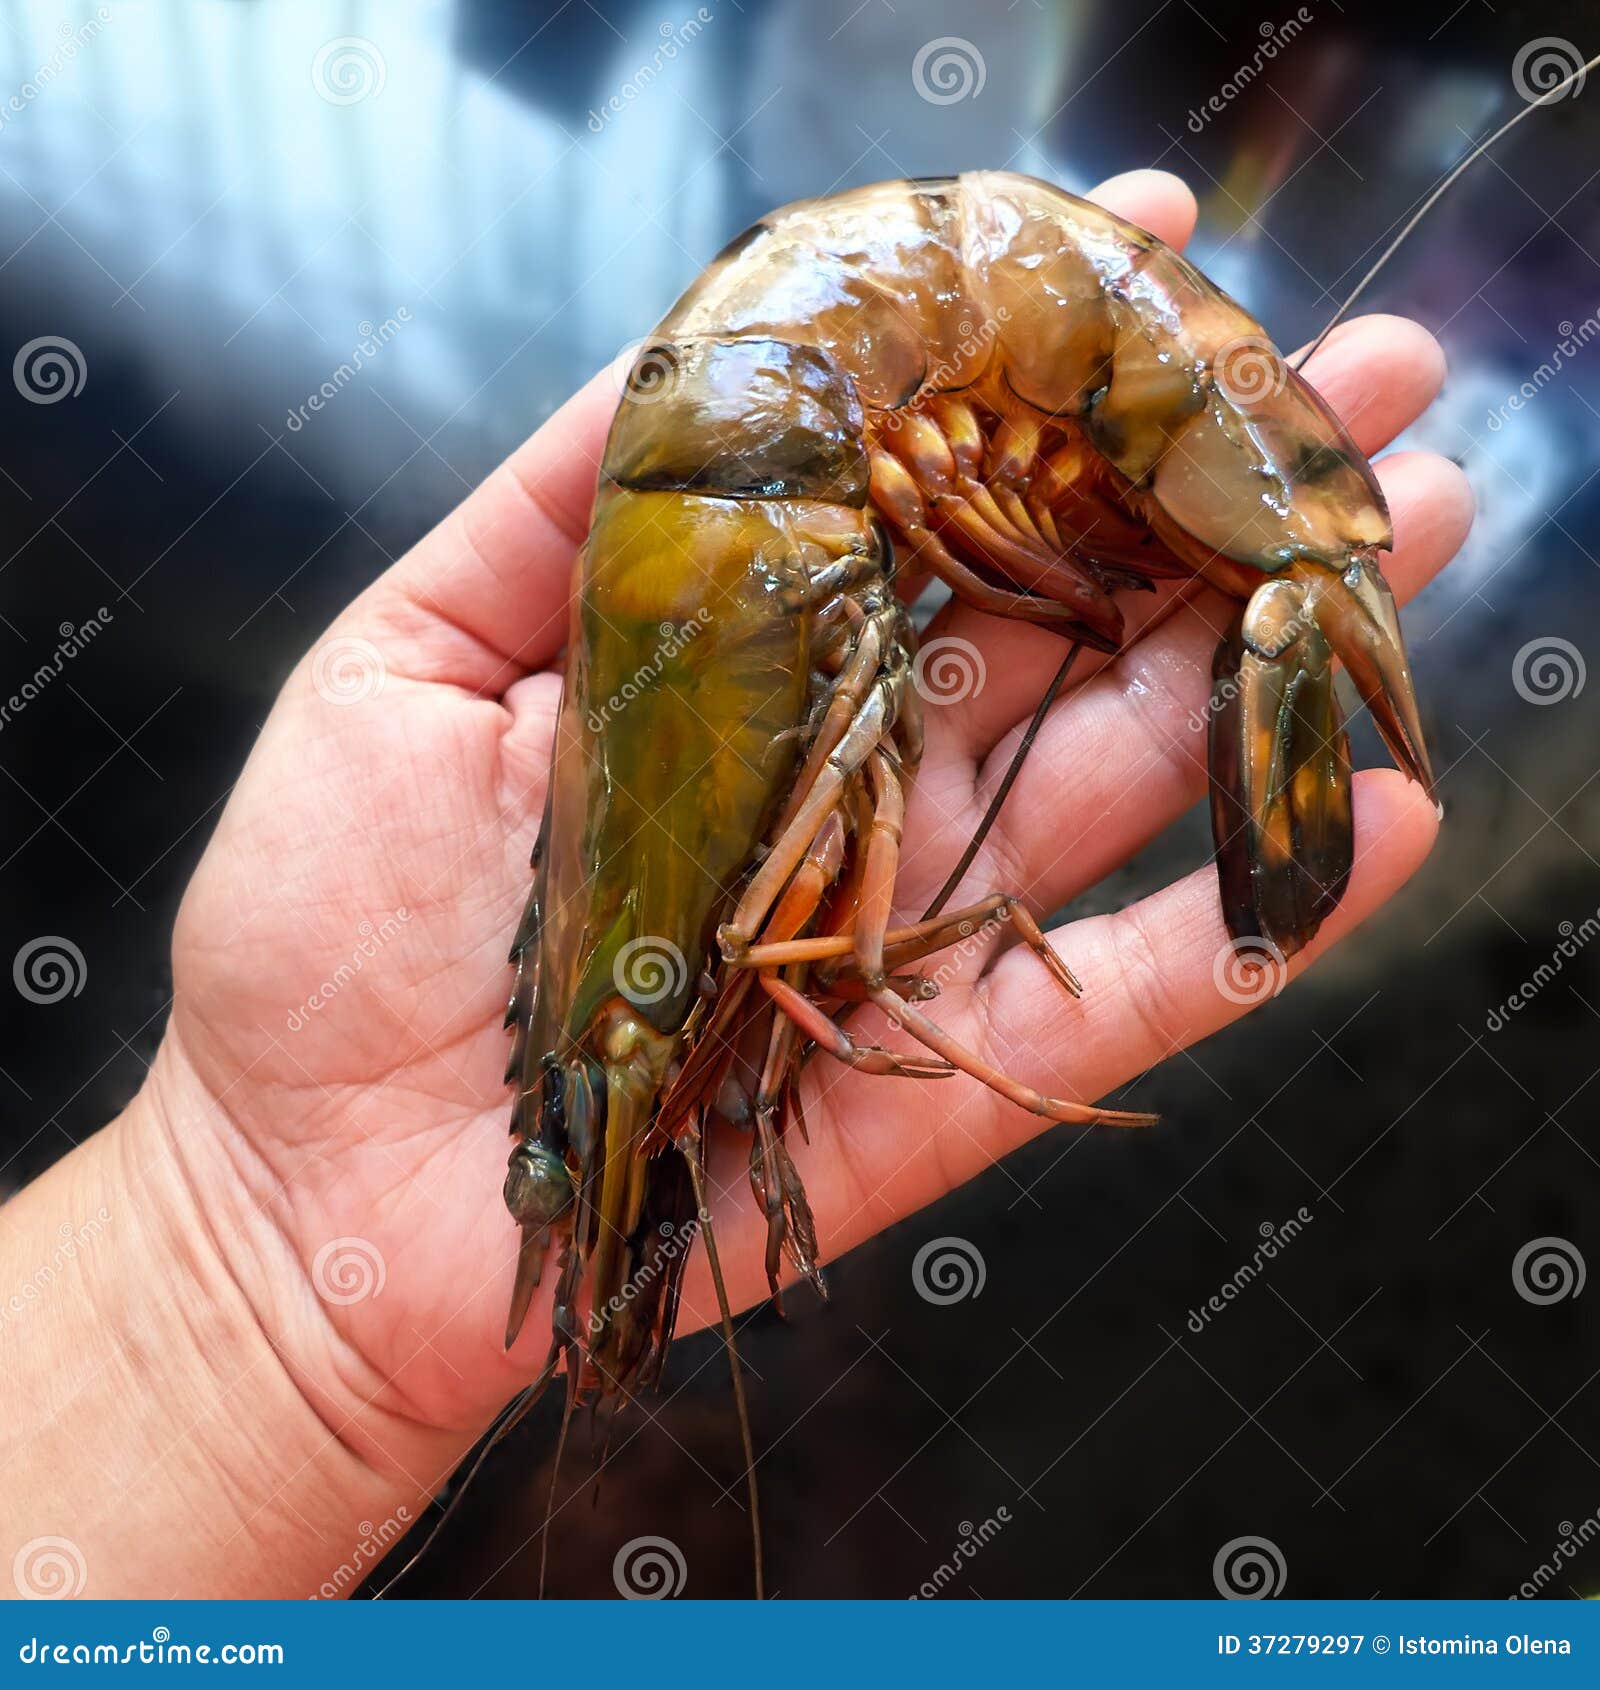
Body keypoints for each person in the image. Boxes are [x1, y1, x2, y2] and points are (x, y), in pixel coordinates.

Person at [0, 171, 1471, 1598]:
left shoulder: (823, 444)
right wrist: (251, 1263)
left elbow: (788, 788)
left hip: (926, 344)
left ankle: (1287, 564)